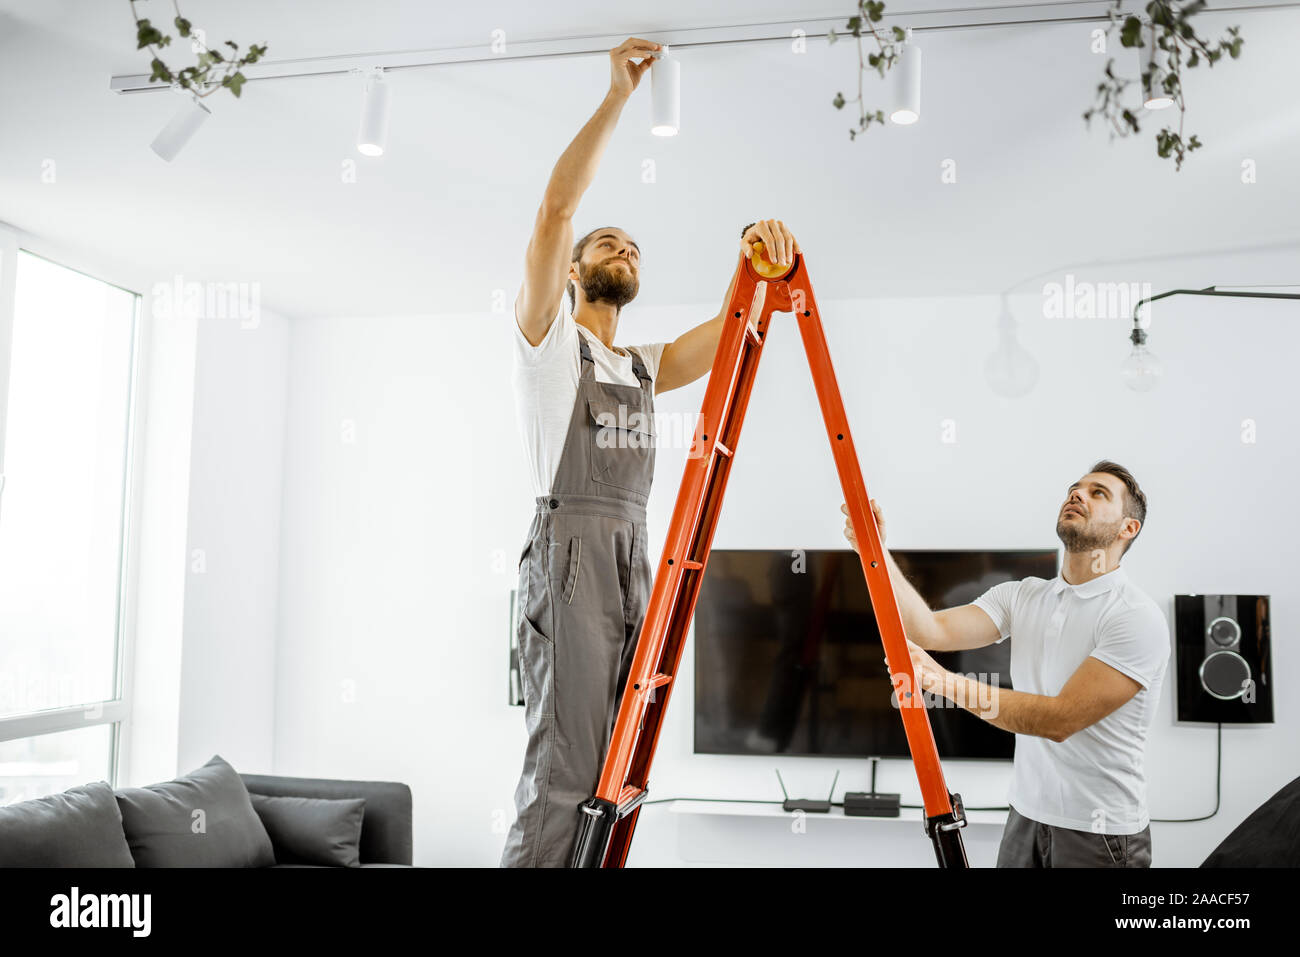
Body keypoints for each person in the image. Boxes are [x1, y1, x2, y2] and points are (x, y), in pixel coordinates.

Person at [503, 35, 800, 867]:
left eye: (633, 245)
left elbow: (732, 332)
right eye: (605, 244)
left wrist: (758, 259)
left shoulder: (640, 364)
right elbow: (554, 212)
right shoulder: (549, 347)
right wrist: (617, 98)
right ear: (570, 271)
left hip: (634, 551)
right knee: (564, 769)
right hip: (572, 552)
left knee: (613, 768)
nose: (622, 249)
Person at [842, 460, 1169, 867]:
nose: (1077, 494)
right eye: (1075, 487)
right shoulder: (1023, 596)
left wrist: (944, 682)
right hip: (1026, 816)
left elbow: (1059, 720)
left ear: (1128, 529)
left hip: (1099, 832)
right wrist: (873, 551)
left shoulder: (1134, 616)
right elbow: (928, 630)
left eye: (1098, 492)